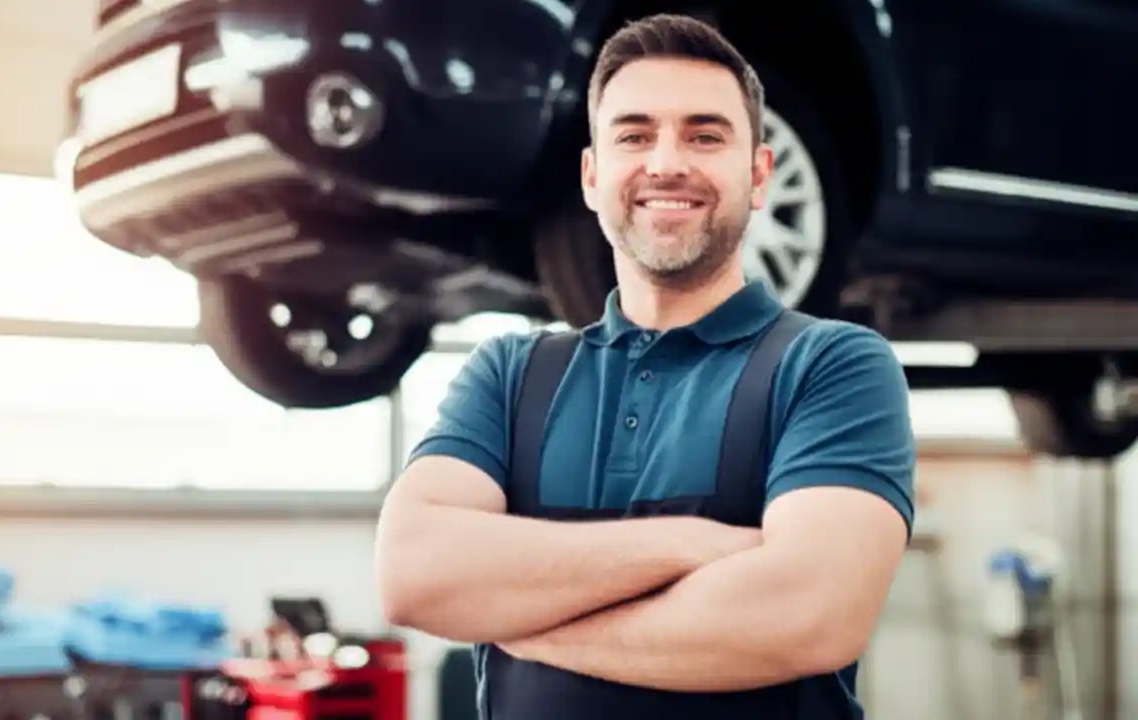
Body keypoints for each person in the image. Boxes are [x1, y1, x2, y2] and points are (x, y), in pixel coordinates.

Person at [374, 13, 914, 719]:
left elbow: (808, 615)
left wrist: (520, 622)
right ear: (592, 177)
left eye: (704, 136)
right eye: (634, 135)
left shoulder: (830, 366)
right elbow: (412, 574)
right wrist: (687, 544)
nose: (666, 163)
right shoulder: (510, 376)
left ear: (758, 175)